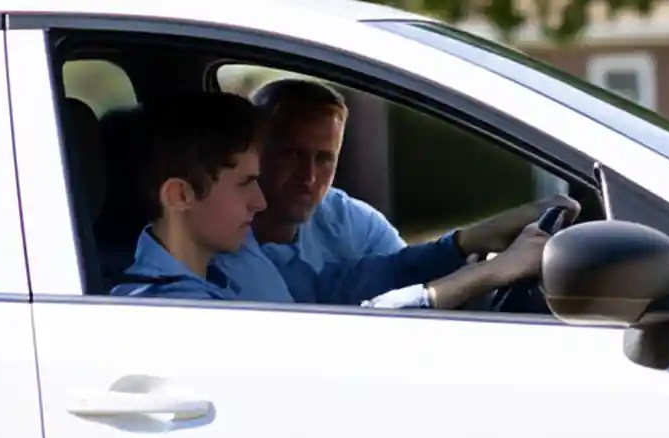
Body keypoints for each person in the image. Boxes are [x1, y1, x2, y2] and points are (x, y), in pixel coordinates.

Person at [109, 91, 552, 309]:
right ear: (181, 195)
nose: (261, 202)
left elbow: (335, 288)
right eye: (245, 183)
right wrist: (486, 274)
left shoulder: (236, 255)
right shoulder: (168, 309)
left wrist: (462, 243)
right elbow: (332, 344)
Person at [211, 77, 579, 305]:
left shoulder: (348, 220)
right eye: (291, 154)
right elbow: (339, 296)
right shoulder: (218, 238)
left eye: (325, 159)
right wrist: (490, 269)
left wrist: (468, 243)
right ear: (254, 151)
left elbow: (395, 278)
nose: (308, 175)